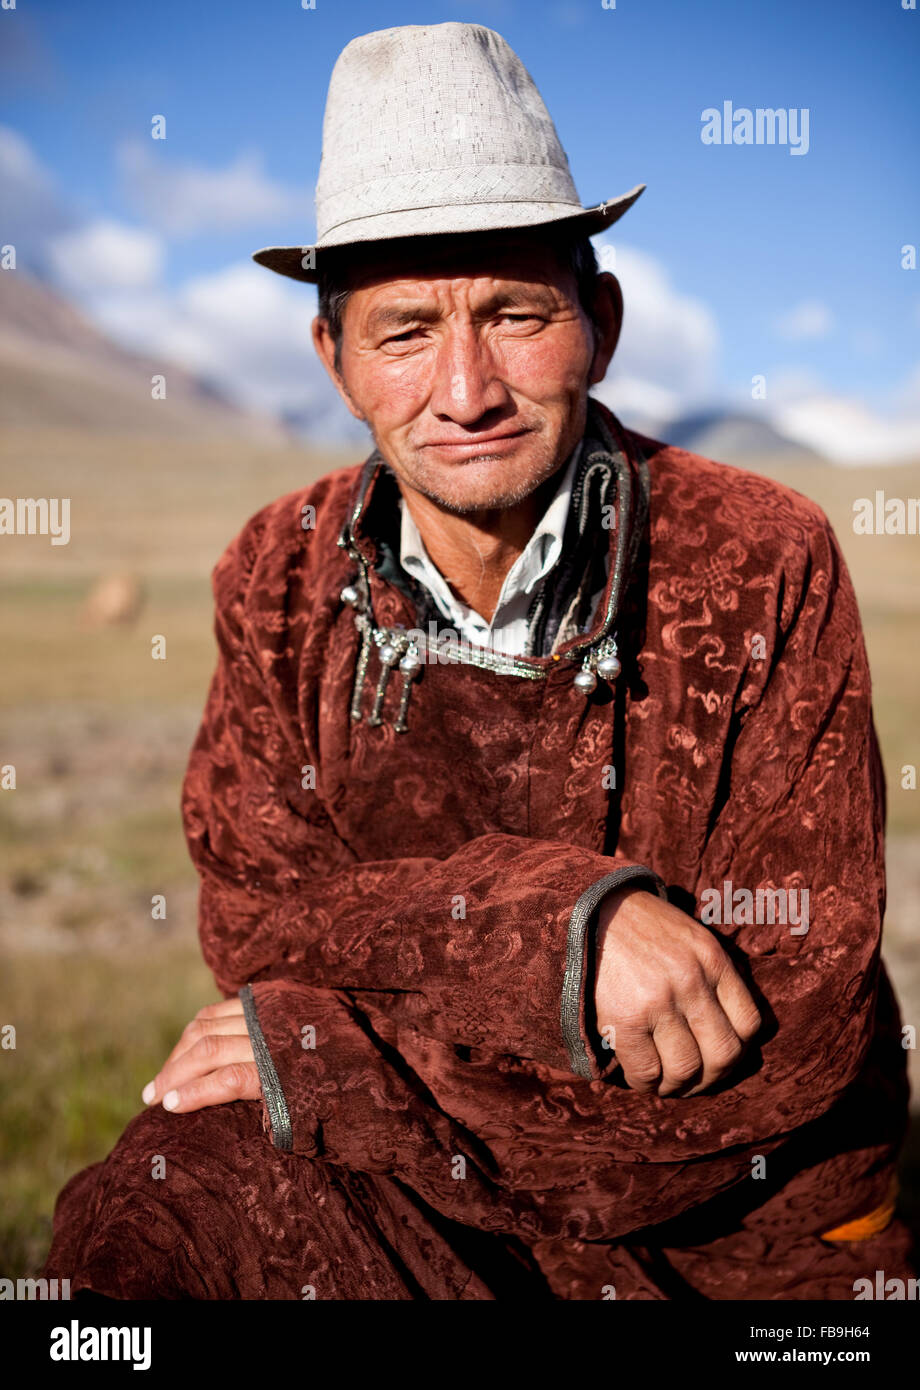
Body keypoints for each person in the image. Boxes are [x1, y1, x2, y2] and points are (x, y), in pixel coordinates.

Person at [43, 21, 913, 1300]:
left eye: (512, 314)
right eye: (404, 331)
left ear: (599, 325)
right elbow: (258, 922)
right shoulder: (274, 574)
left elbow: (789, 1025)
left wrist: (342, 1053)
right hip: (415, 1201)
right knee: (145, 1222)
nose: (464, 389)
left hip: (737, 1234)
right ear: (332, 362)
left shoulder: (758, 558)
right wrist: (558, 930)